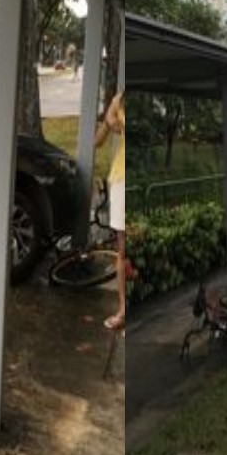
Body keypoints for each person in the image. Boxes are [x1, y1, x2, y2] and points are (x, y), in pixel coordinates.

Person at [95, 91, 125, 331]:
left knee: (124, 251)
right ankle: (124, 311)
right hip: (122, 179)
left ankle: (125, 311)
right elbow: (100, 138)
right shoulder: (120, 99)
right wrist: (110, 116)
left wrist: (112, 115)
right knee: (122, 251)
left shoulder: (121, 101)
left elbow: (114, 124)